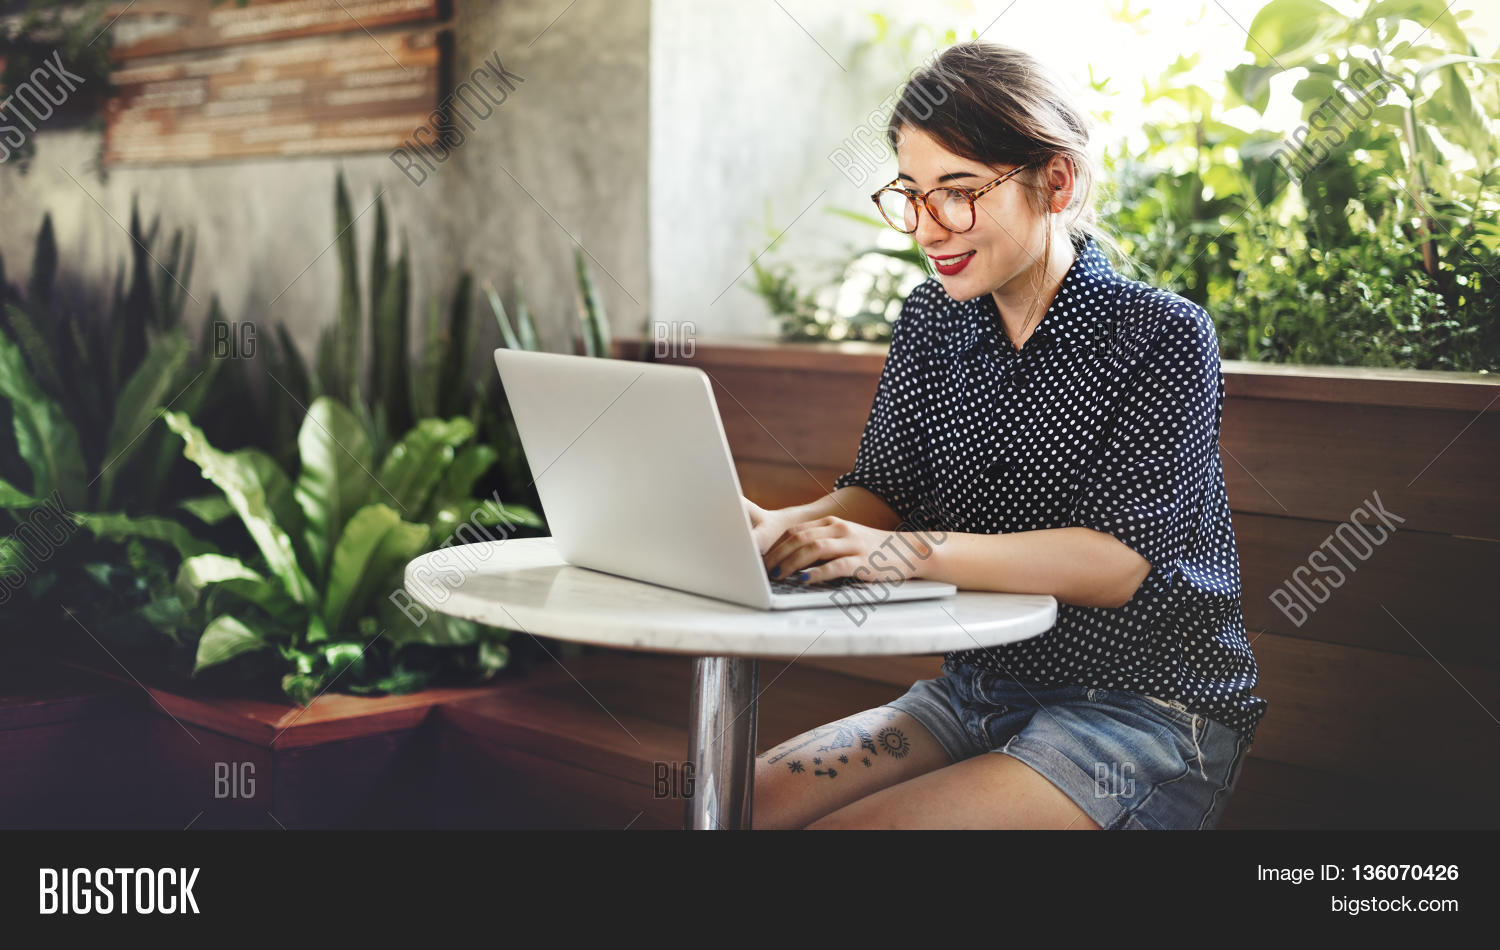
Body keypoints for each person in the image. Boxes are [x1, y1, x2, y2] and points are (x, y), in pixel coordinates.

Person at [745, 40, 1265, 830]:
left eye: (958, 192)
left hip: (1143, 714)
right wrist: (776, 527)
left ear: (1055, 181)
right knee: (739, 801)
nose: (928, 228)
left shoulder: (1161, 334)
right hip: (974, 694)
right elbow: (883, 489)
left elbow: (1114, 564)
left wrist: (908, 554)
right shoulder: (931, 319)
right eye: (912, 195)